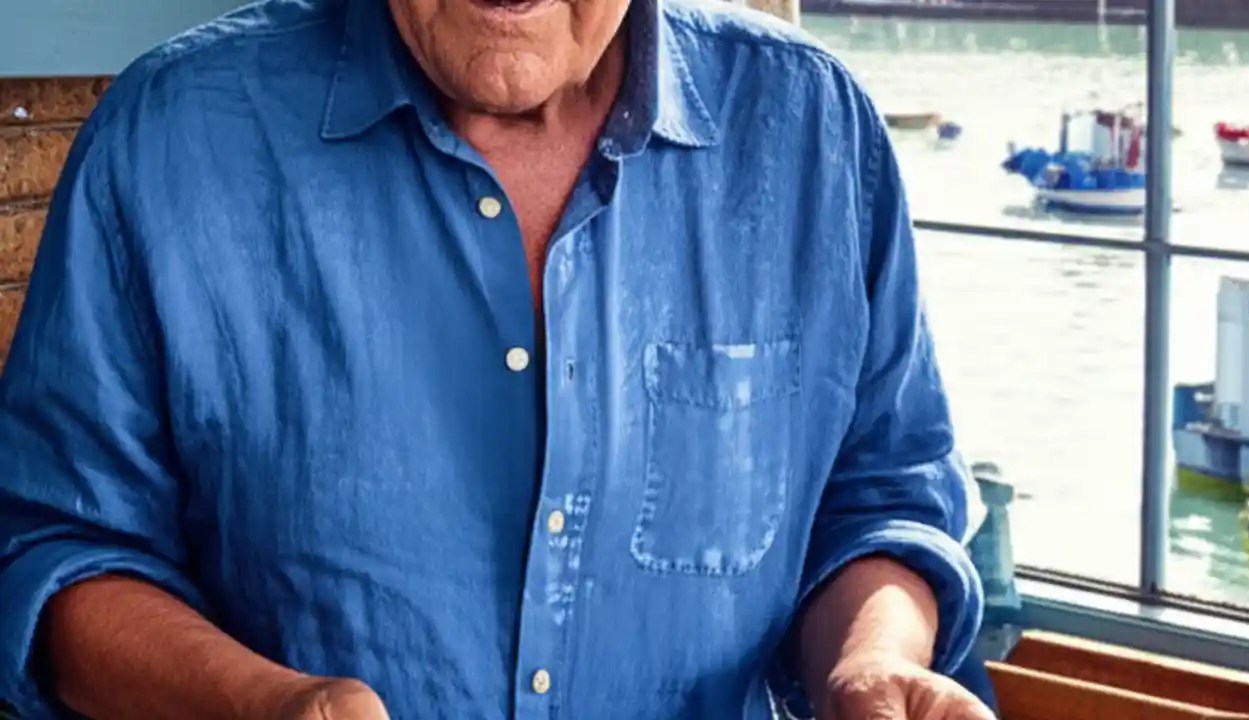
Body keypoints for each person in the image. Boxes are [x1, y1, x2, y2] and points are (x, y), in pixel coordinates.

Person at [0, 0, 994, 716]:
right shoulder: (169, 136)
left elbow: (881, 502)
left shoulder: (815, 131)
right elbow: (52, 552)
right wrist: (262, 705)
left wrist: (868, 665)